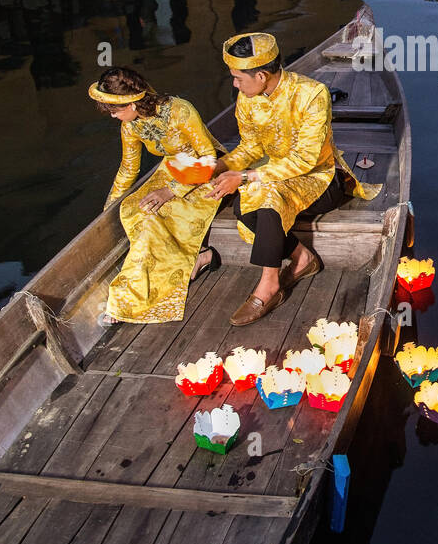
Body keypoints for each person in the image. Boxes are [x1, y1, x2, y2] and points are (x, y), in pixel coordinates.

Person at [208, 33, 382, 326]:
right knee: (243, 206)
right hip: (275, 174)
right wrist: (220, 165)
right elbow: (251, 147)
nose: (235, 84)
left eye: (238, 78)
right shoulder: (247, 98)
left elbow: (305, 160)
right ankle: (302, 258)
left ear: (261, 75)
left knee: (267, 194)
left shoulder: (312, 94)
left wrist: (244, 176)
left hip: (322, 179)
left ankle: (269, 285)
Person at [90, 69, 222, 324]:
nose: (114, 117)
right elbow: (128, 168)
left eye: (115, 111)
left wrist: (171, 191)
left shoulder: (180, 110)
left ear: (131, 103)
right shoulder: (131, 125)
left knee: (157, 216)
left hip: (205, 170)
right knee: (131, 209)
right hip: (172, 167)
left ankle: (128, 299)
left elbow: (209, 157)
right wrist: (108, 208)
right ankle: (198, 258)